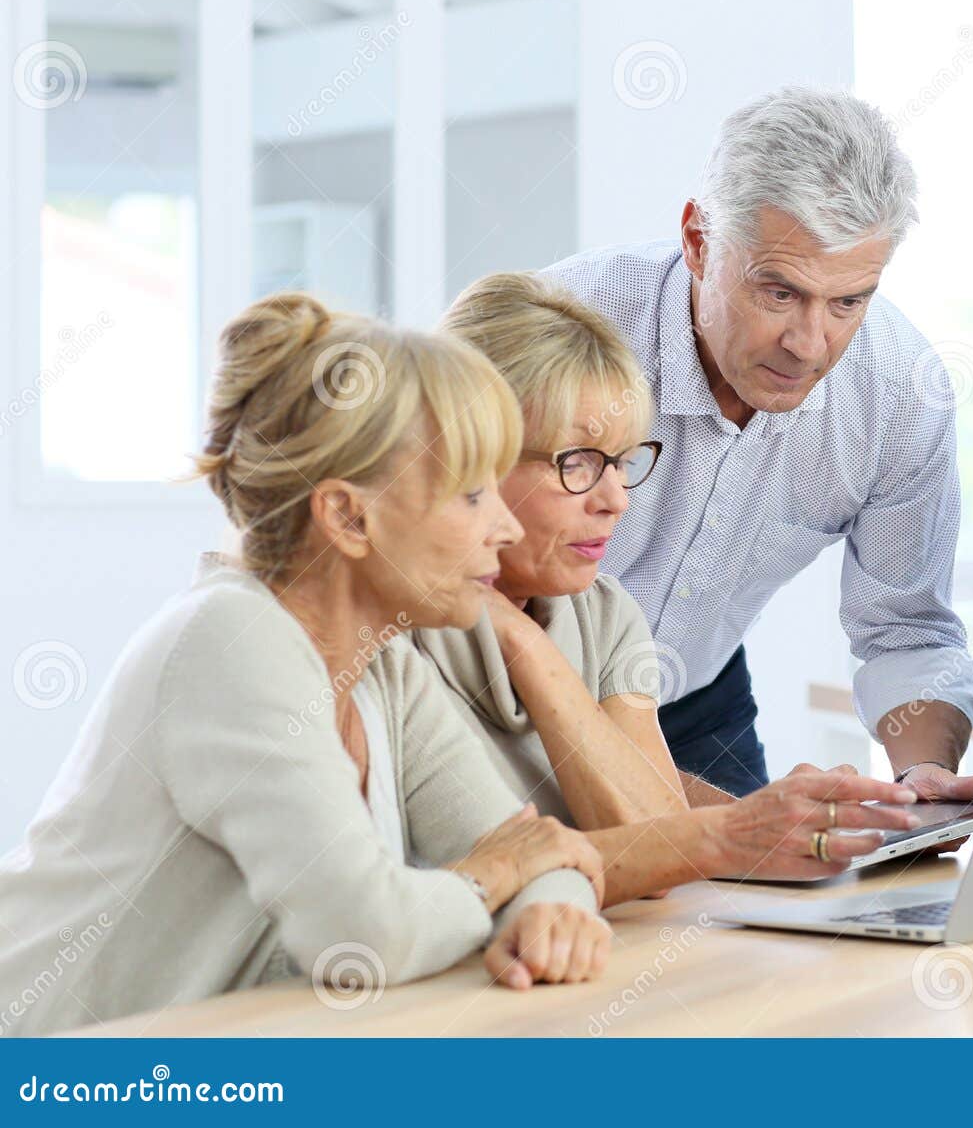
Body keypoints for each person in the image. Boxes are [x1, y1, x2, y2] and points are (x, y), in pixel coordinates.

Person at [0, 294, 612, 1036]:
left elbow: (536, 848)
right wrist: (502, 875)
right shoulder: (230, 641)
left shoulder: (383, 667)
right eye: (472, 494)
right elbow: (363, 934)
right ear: (347, 516)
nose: (505, 527)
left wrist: (551, 912)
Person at [542, 85, 973, 805]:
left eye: (848, 301)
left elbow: (907, 629)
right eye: (779, 293)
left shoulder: (899, 393)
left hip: (693, 700)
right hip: (513, 695)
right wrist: (732, 827)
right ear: (698, 242)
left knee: (767, 879)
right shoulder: (557, 332)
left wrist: (922, 778)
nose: (810, 345)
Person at [414, 270, 925, 897]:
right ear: (470, 459)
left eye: (623, 462)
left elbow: (658, 849)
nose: (615, 500)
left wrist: (525, 642)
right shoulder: (395, 631)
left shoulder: (604, 613)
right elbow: (462, 874)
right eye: (576, 463)